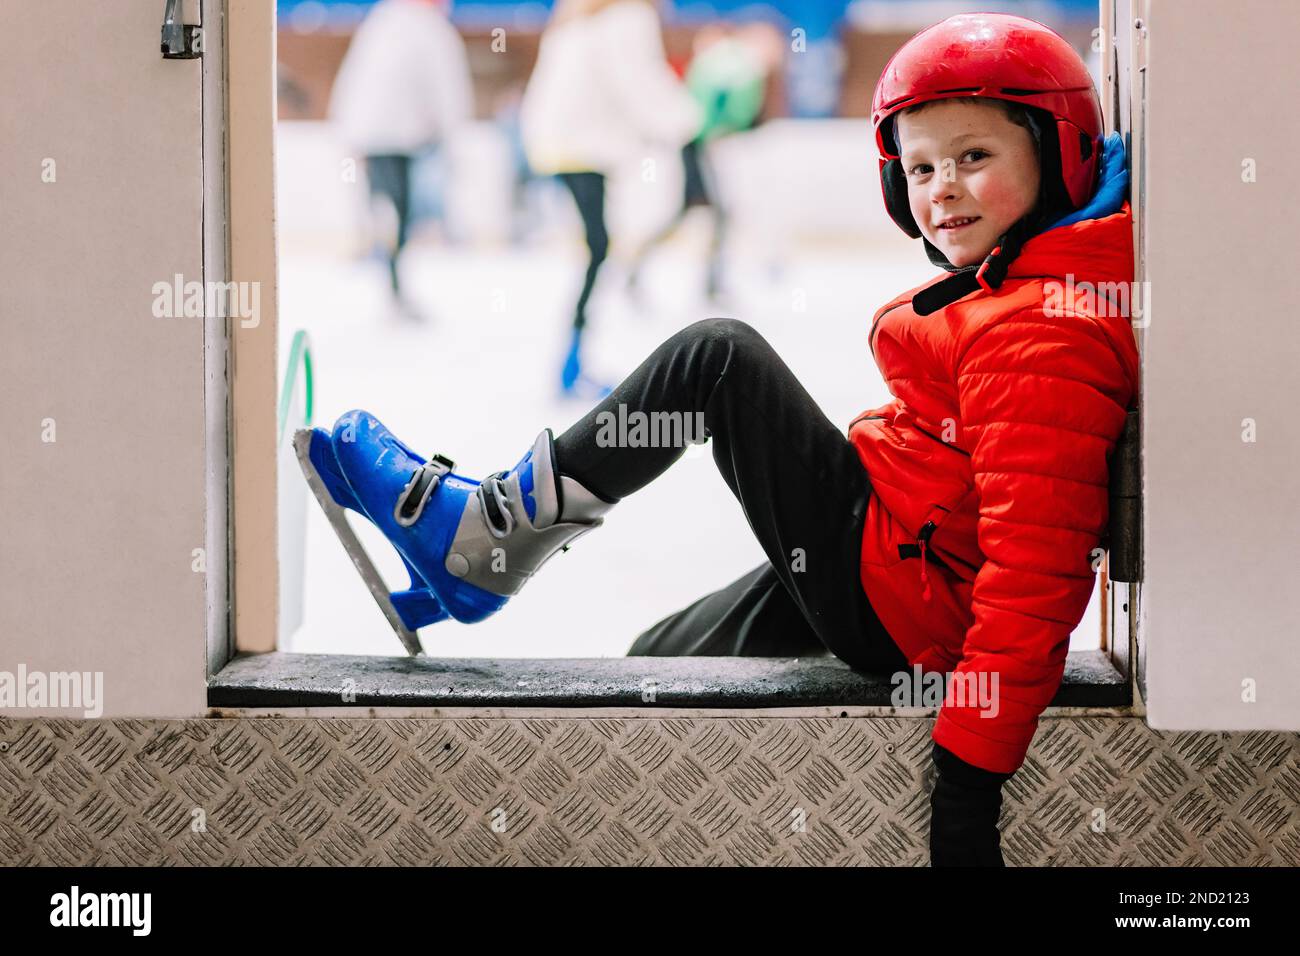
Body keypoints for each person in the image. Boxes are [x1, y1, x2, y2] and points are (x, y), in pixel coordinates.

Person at [299, 13, 1139, 866]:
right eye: (920, 168)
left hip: (902, 592)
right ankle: (477, 571)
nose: (941, 189)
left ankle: (482, 541)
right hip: (897, 552)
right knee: (656, 661)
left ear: (1060, 152)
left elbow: (1035, 572)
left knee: (718, 358)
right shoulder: (1030, 289)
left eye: (973, 157)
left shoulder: (1047, 333)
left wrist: (969, 784)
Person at [519, 0, 703, 396]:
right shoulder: (629, 17)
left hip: (559, 145)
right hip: (585, 146)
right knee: (599, 249)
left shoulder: (576, 19)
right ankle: (571, 360)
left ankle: (573, 358)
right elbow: (638, 82)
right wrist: (690, 122)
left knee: (598, 248)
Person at [329, 0, 473, 321]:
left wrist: (346, 131)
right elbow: (448, 90)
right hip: (400, 136)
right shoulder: (433, 30)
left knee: (386, 204)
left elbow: (352, 78)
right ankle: (392, 268)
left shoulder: (379, 21)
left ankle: (380, 236)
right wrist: (453, 137)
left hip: (367, 132)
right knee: (400, 211)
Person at [625, 21, 783, 304]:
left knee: (694, 213)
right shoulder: (739, 65)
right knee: (712, 214)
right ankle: (704, 281)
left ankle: (644, 271)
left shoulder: (726, 62)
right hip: (702, 145)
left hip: (697, 142)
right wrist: (716, 132)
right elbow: (722, 110)